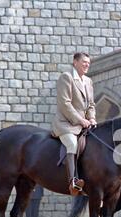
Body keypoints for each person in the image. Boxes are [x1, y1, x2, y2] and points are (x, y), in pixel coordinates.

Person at [52, 52, 97, 196]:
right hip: (66, 123)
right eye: (84, 62)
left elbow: (91, 105)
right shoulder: (66, 78)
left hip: (83, 125)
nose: (87, 65)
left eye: (88, 63)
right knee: (72, 143)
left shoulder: (88, 81)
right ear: (75, 62)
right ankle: (73, 182)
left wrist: (92, 118)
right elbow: (65, 104)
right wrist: (80, 120)